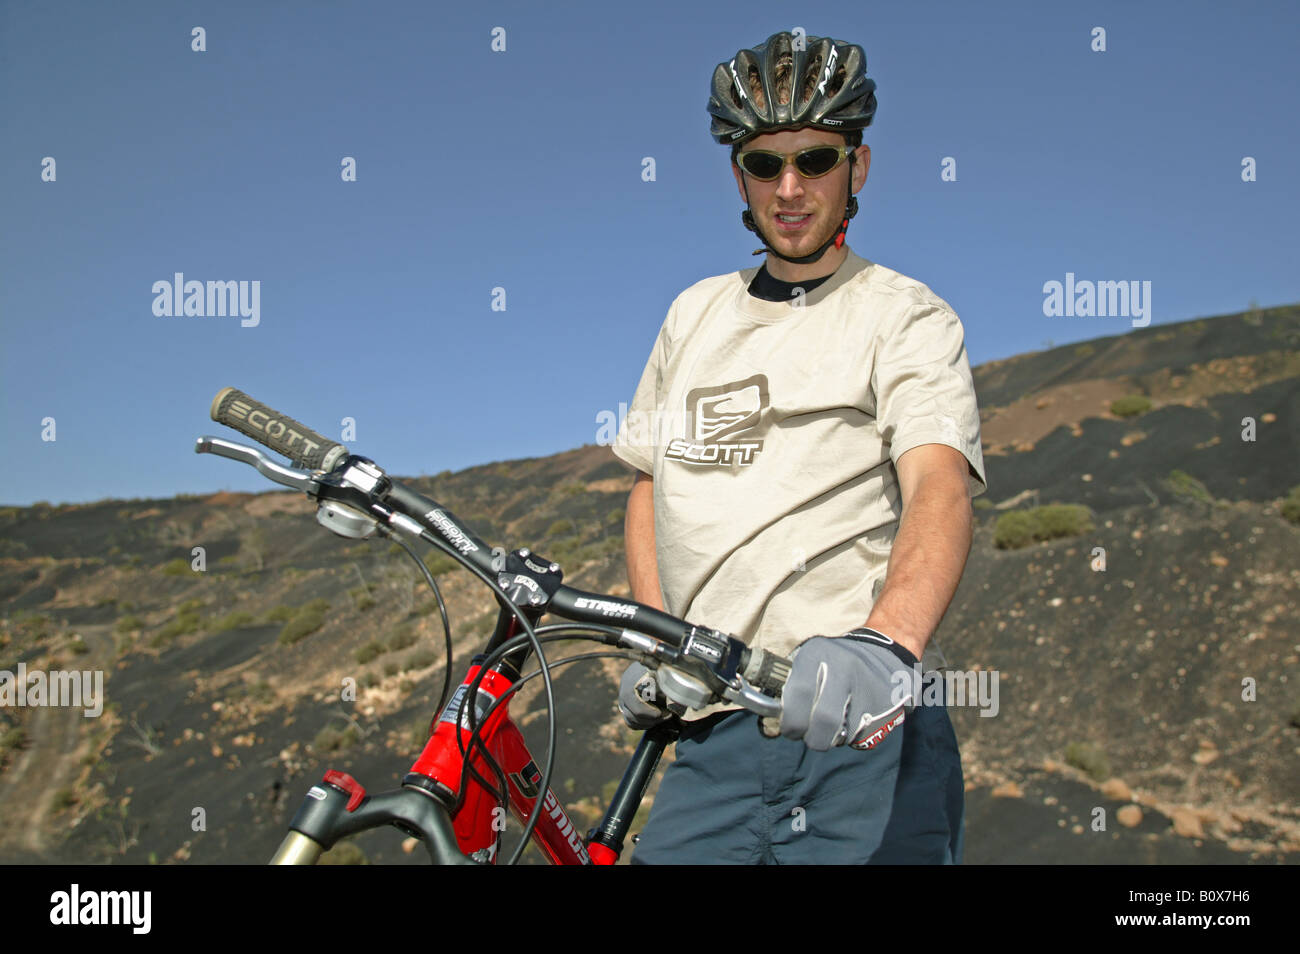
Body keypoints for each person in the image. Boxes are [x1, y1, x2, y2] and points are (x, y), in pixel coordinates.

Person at [610, 30, 988, 864]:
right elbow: (647, 486)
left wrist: (886, 644)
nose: (789, 188)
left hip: (862, 730)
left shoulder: (906, 314)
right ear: (736, 172)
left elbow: (939, 484)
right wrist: (653, 638)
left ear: (857, 167)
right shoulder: (692, 315)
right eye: (762, 162)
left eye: (815, 160)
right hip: (710, 743)